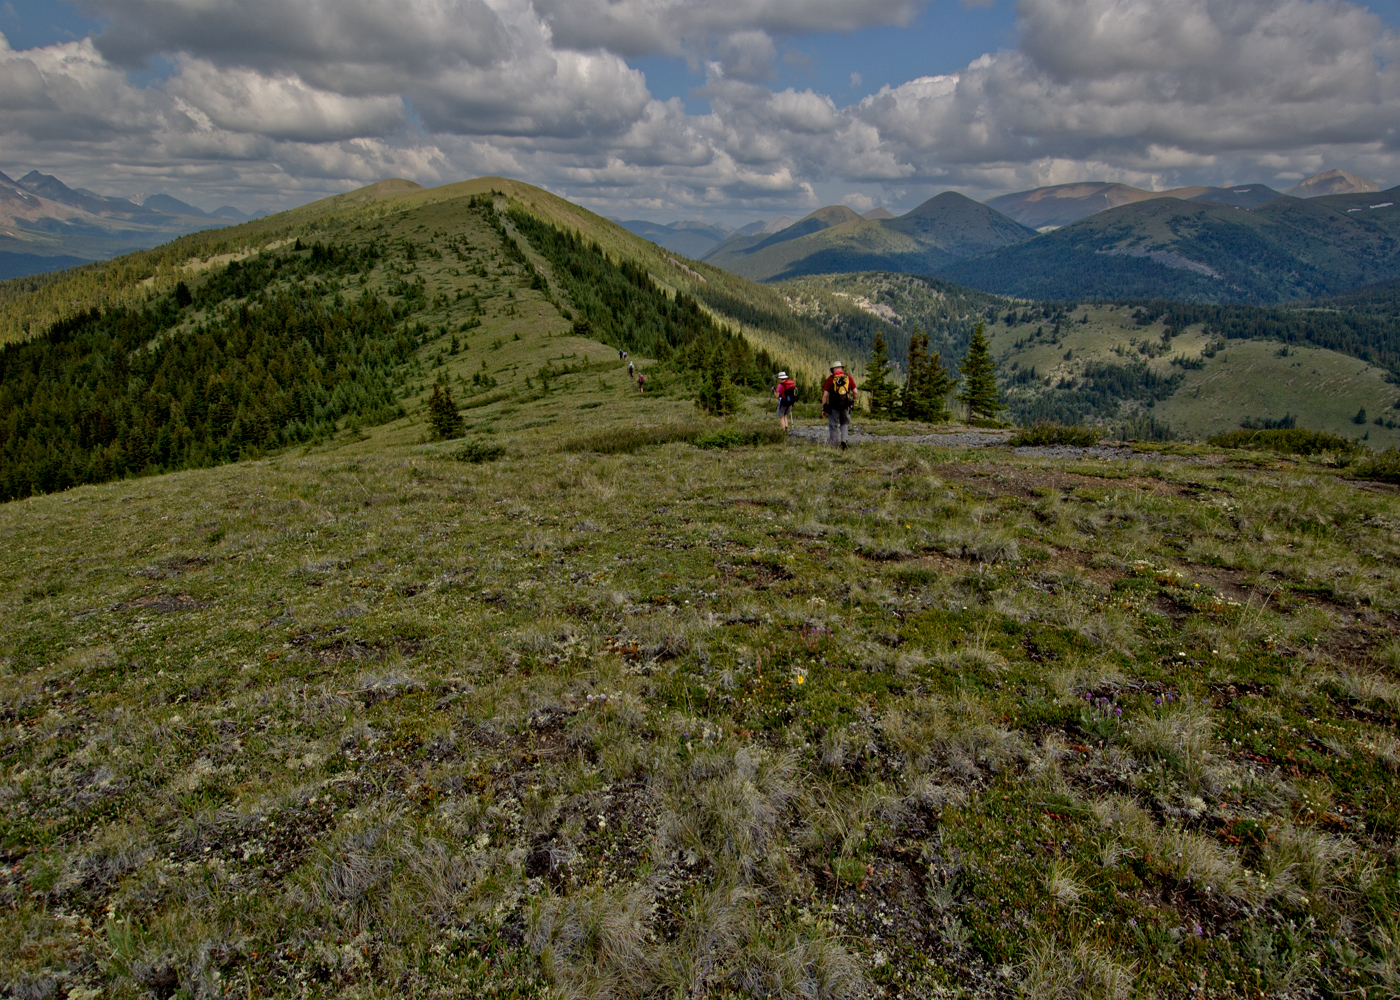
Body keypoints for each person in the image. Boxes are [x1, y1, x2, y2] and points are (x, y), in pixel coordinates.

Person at [821, 361, 858, 449]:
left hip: (834, 406)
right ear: (841, 368)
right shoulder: (848, 377)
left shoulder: (830, 379)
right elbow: (855, 392)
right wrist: (853, 400)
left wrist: (824, 408)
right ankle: (844, 439)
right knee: (844, 422)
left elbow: (825, 395)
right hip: (845, 405)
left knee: (833, 424)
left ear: (833, 369)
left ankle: (833, 445)